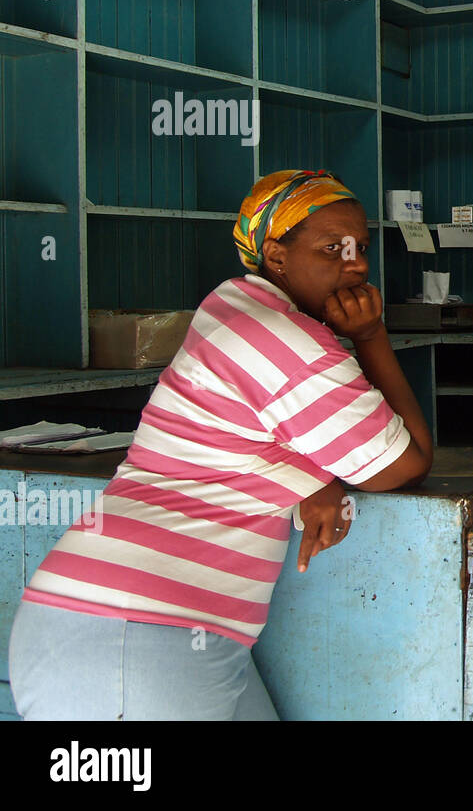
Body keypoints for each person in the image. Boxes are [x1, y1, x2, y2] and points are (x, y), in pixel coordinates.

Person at [8, 169, 433, 720]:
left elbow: (241, 438)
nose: (355, 265)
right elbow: (406, 465)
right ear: (276, 256)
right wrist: (372, 337)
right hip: (133, 639)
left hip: (164, 636)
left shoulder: (232, 304)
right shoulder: (282, 337)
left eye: (360, 248)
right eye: (333, 248)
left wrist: (315, 476)